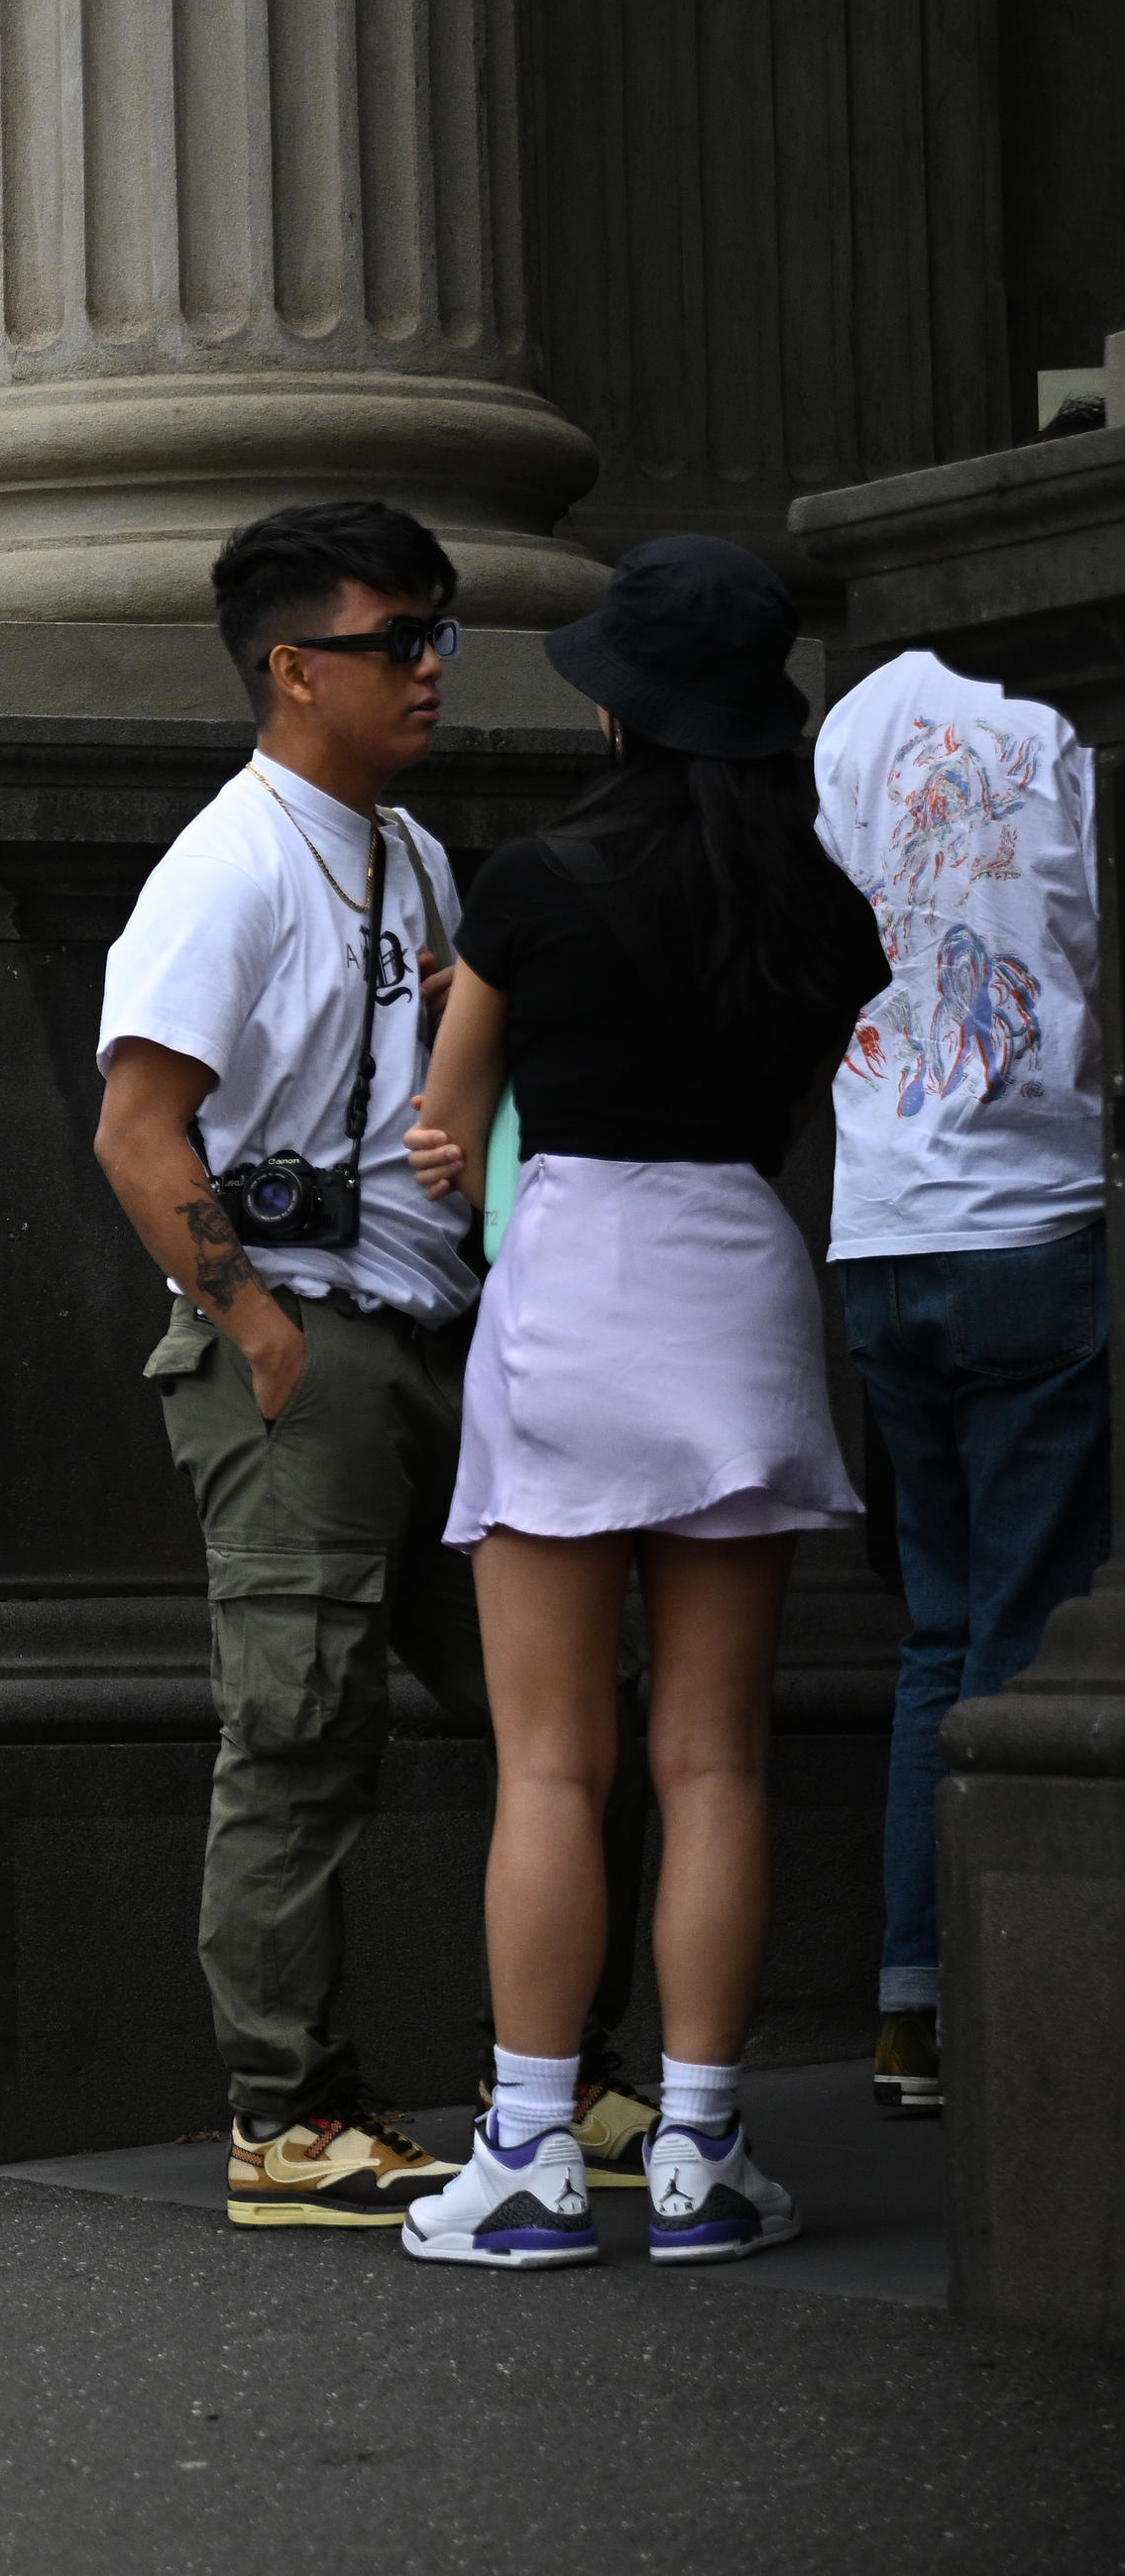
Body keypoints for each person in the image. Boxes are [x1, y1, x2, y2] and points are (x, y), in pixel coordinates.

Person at [90, 500, 649, 2223]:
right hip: (309, 1340)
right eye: (395, 638)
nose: (428, 667)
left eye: (437, 634)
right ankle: (286, 2110)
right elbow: (135, 1128)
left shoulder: (407, 850)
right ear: (292, 666)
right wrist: (257, 1329)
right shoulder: (231, 858)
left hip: (433, 1334)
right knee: (303, 1725)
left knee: (560, 1712)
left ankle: (554, 2072)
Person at [394, 538, 892, 2268]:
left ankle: (528, 2151)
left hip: (584, 1269)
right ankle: (697, 2150)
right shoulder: (824, 910)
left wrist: (456, 1134)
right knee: (715, 1756)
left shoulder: (529, 879)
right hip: (742, 1274)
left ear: (625, 705)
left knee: (552, 1754)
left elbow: (446, 1141)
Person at [815, 643, 1111, 2120]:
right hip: (1034, 1210)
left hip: (883, 1221)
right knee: (1031, 1613)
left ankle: (911, 2005)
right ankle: (1014, 1987)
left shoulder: (855, 727)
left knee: (936, 1626)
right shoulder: (1058, 727)